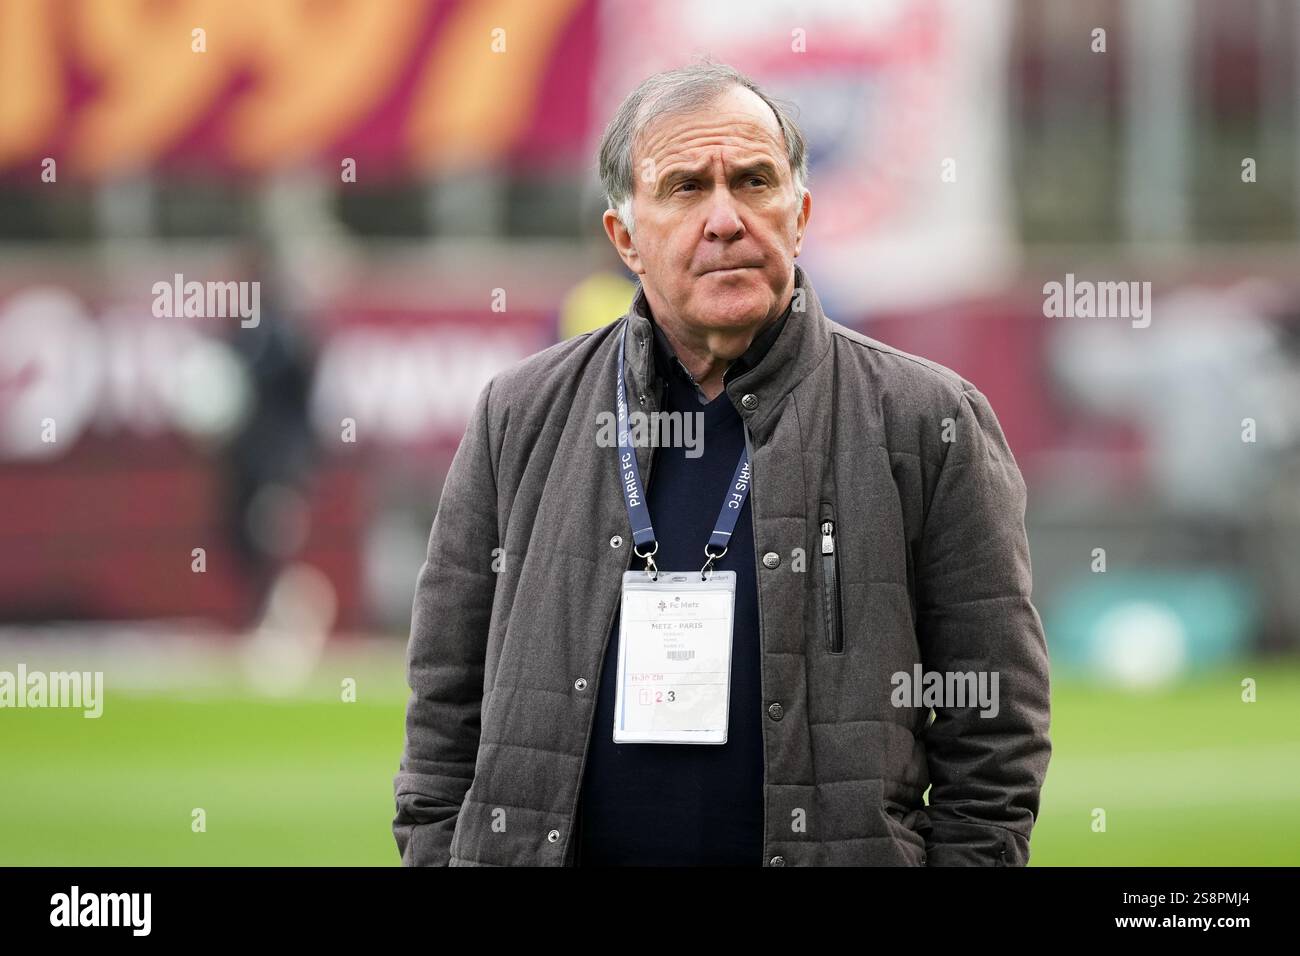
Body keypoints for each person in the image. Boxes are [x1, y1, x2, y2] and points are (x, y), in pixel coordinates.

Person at [393, 61, 1051, 867]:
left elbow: (995, 731)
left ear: (800, 215)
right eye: (683, 188)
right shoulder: (518, 415)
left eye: (753, 181)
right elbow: (442, 714)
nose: (725, 219)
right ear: (624, 238)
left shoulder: (927, 421)